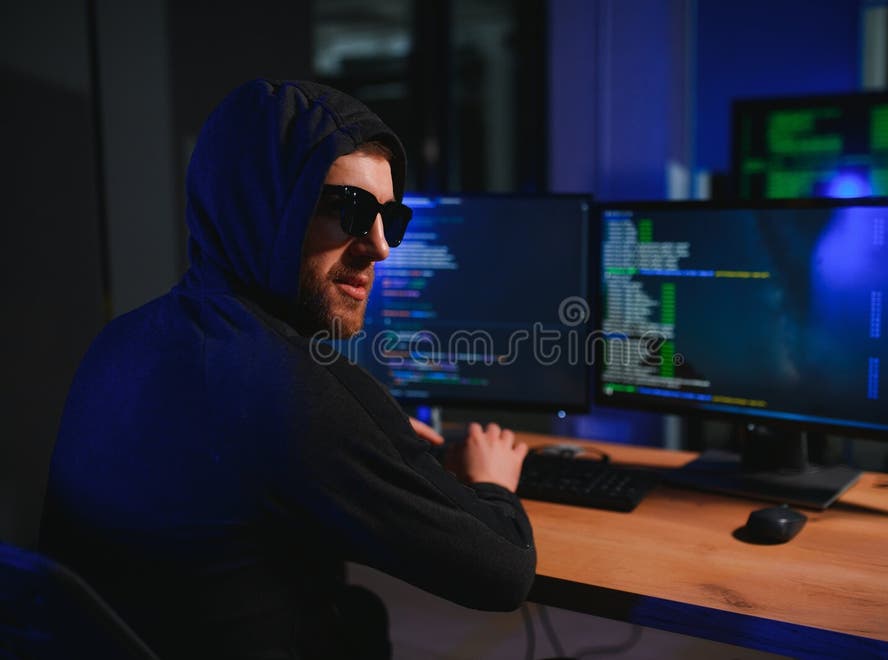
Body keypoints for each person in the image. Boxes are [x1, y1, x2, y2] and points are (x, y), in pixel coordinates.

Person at [40, 79, 535, 659]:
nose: (380, 247)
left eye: (391, 218)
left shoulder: (121, 342)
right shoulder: (286, 387)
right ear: (261, 207)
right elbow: (502, 571)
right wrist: (492, 481)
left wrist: (372, 441)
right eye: (350, 210)